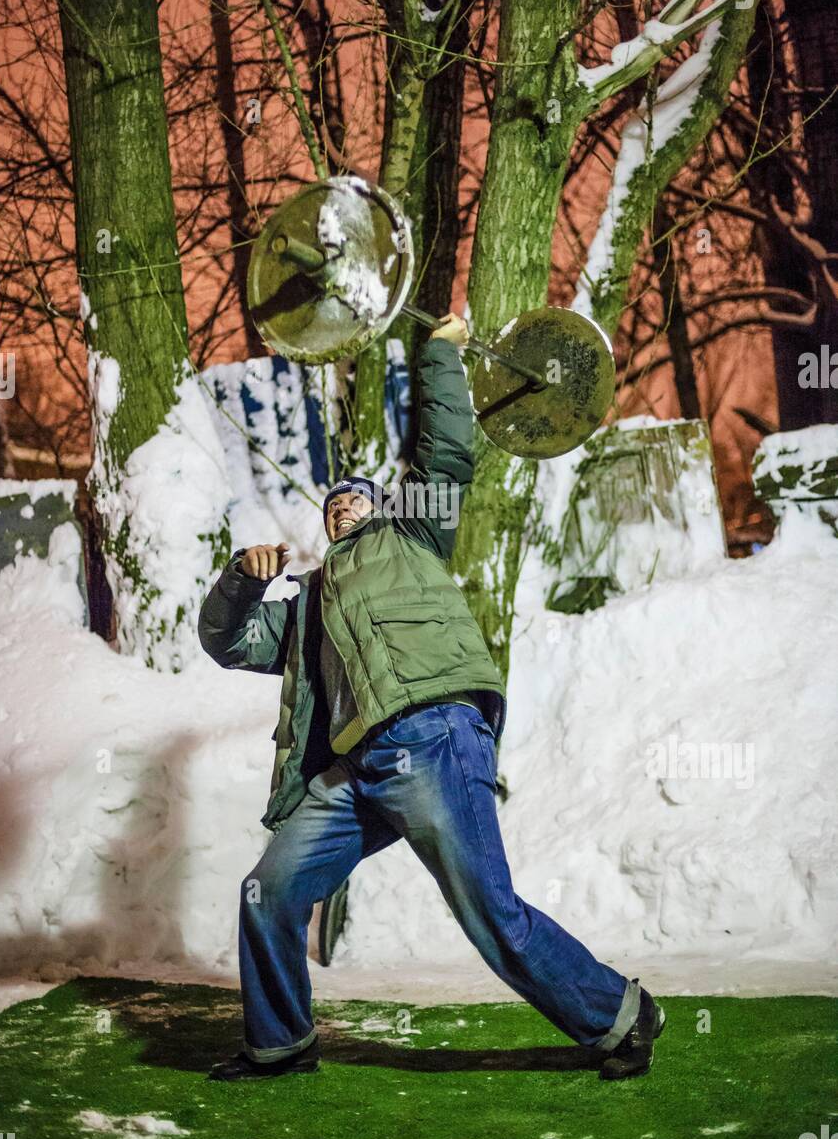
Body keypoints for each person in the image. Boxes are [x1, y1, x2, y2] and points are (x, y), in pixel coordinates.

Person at [198, 312, 665, 1082]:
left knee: (491, 917)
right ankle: (280, 1043)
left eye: (357, 498)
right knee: (267, 889)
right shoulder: (311, 604)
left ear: (381, 508)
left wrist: (439, 354)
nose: (344, 506)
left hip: (433, 736)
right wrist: (242, 581)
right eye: (333, 504)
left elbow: (445, 451)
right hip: (355, 774)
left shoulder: (411, 536)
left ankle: (620, 1016)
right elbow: (226, 643)